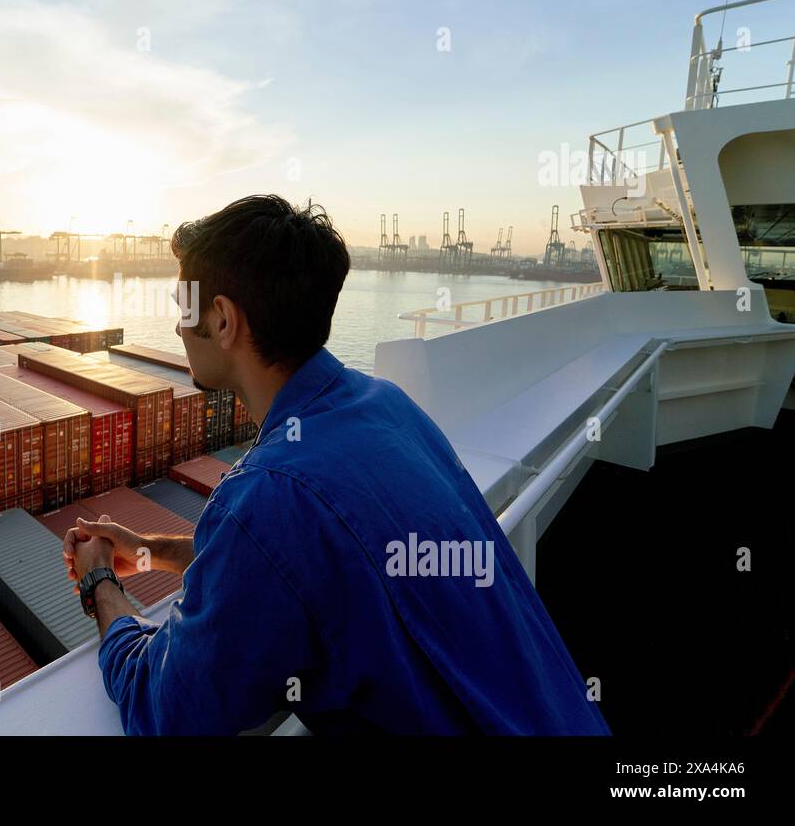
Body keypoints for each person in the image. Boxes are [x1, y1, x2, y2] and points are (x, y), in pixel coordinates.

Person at [63, 195, 610, 736]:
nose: (177, 327)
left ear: (224, 320)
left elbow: (161, 709)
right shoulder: (387, 406)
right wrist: (149, 552)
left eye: (184, 306)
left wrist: (99, 582)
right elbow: (285, 566)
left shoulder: (270, 496)